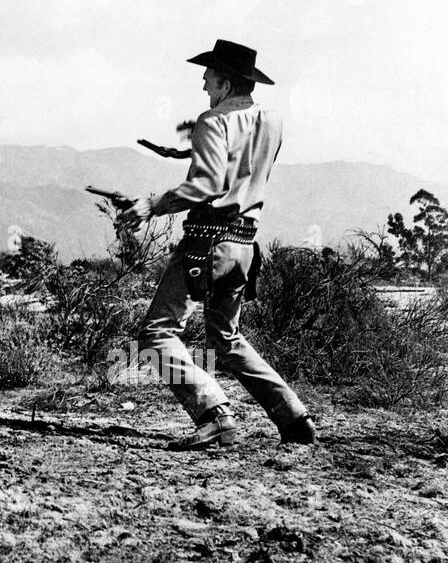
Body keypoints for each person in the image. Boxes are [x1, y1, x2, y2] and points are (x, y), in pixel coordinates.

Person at [119, 39, 317, 451]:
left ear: (226, 84)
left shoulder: (212, 120)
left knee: (155, 334)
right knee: (226, 340)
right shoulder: (272, 119)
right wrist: (188, 151)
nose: (205, 88)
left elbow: (208, 184)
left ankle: (215, 414)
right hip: (244, 247)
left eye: (209, 80)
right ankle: (294, 417)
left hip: (207, 242)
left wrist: (151, 205)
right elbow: (241, 160)